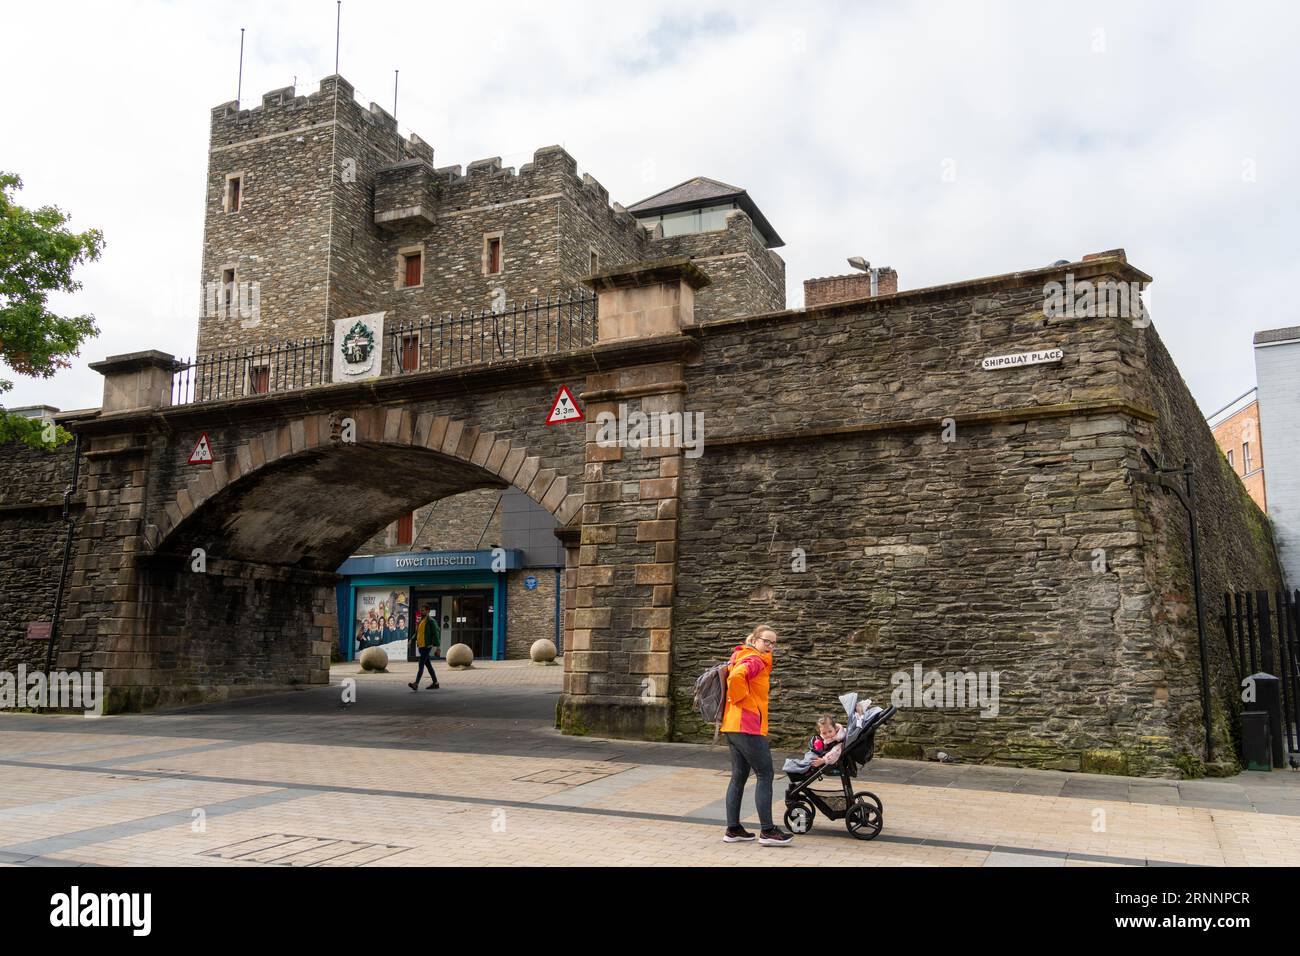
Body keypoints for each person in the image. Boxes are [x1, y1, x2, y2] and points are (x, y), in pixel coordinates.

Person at [720, 624, 792, 846]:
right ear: (755, 639)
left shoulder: (742, 655)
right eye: (766, 641)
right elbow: (735, 680)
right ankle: (768, 831)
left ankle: (733, 829)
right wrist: (745, 704)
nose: (770, 646)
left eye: (773, 643)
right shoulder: (754, 660)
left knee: (739, 776)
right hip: (747, 726)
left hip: (732, 725)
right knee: (765, 774)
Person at [408, 610, 440, 691]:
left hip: (427, 646)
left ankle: (416, 683)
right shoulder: (421, 621)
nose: (421, 612)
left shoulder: (431, 621)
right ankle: (435, 683)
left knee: (421, 664)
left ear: (428, 611)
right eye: (421, 610)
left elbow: (436, 633)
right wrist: (411, 640)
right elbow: (418, 633)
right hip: (421, 646)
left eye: (423, 610)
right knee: (428, 665)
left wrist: (437, 646)